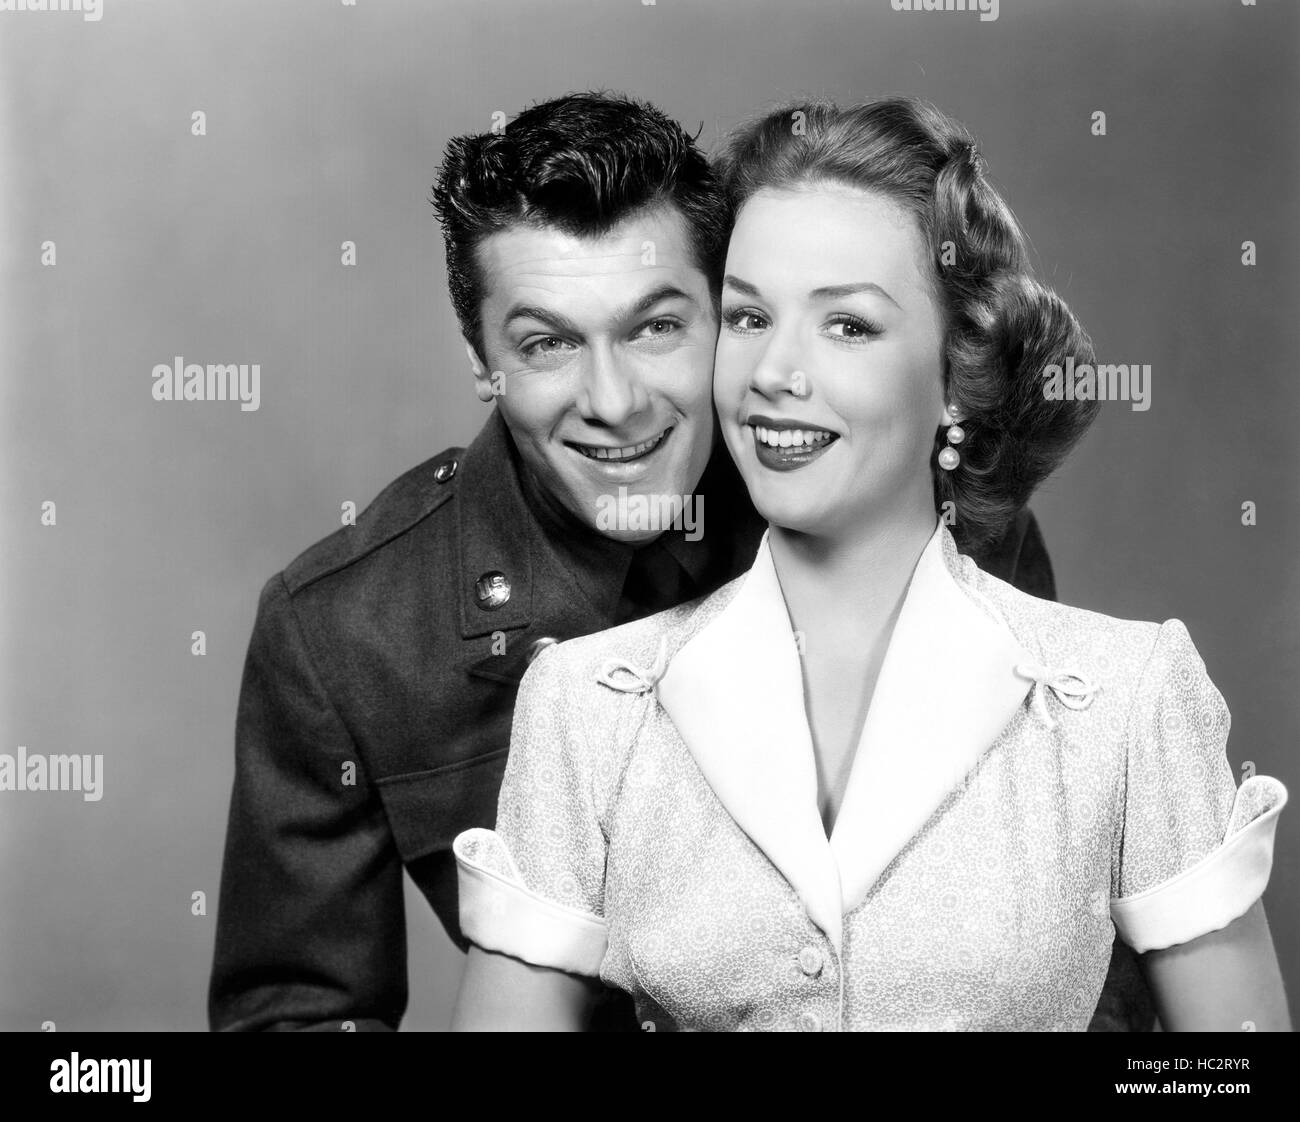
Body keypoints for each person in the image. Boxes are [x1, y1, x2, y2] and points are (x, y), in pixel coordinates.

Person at [207, 91, 1059, 1032]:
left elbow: (1079, 938)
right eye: (547, 343)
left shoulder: (925, 517)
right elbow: (297, 1019)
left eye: (658, 327)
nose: (613, 402)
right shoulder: (342, 631)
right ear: (479, 356)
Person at [450, 97, 1290, 1032]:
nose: (775, 371)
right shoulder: (585, 706)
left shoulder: (1129, 701)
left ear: (958, 374)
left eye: (847, 325)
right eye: (749, 316)